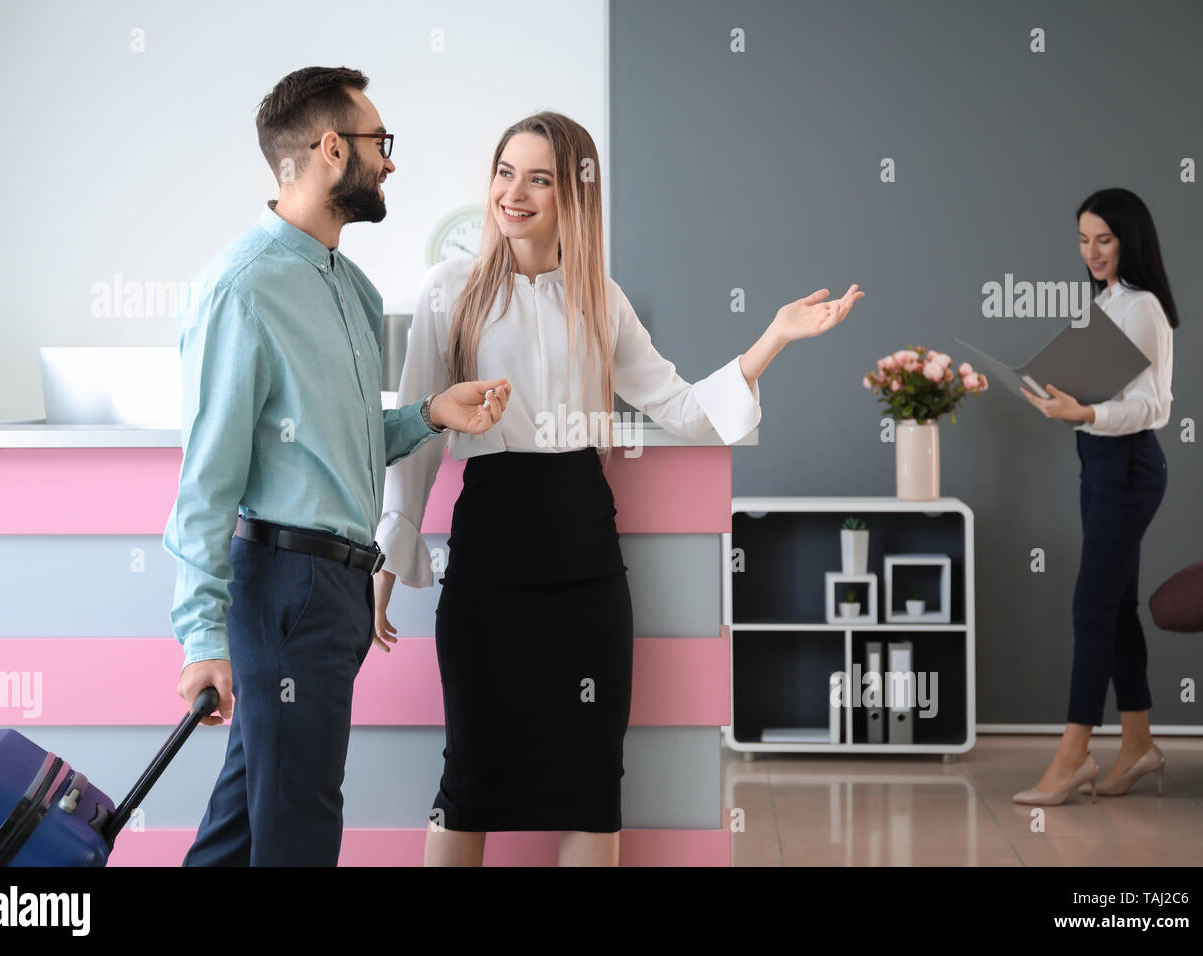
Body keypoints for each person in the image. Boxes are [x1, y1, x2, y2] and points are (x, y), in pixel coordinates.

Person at [373, 111, 864, 865]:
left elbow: (681, 409)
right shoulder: (448, 291)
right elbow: (415, 440)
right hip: (490, 552)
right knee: (469, 775)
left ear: (574, 193)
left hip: (584, 558)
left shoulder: (598, 296)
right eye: (506, 173)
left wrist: (773, 338)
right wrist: (386, 556)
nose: (516, 193)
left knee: (593, 783)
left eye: (540, 178)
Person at [163, 66, 511, 866]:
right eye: (378, 143)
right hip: (286, 590)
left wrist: (427, 415)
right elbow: (206, 484)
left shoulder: (348, 286)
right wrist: (199, 640)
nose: (389, 162)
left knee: (248, 822)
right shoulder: (242, 288)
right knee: (299, 830)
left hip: (337, 592)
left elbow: (339, 441)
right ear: (330, 148)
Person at [1012, 187, 1177, 806]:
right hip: (1101, 462)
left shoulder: (1143, 308)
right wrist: (1068, 404)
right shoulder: (1106, 302)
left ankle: (1073, 756)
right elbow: (1102, 395)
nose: (1092, 252)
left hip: (1129, 468)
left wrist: (1086, 411)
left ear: (1129, 238)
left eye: (1103, 239)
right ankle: (1138, 745)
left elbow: (1156, 405)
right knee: (1118, 606)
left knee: (1091, 609)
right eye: (1083, 240)